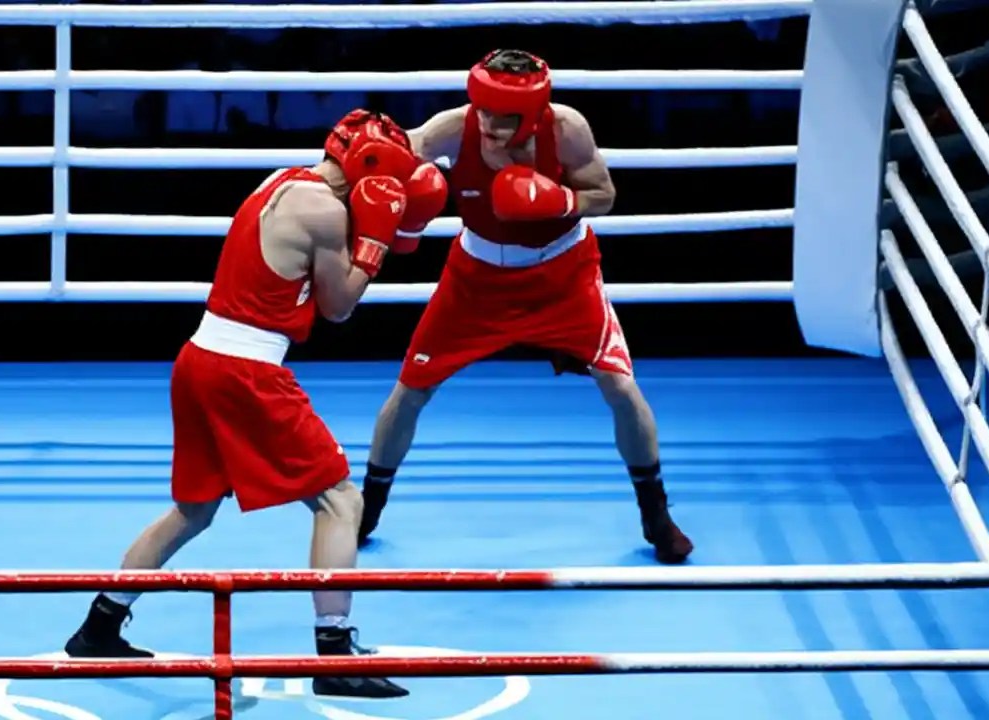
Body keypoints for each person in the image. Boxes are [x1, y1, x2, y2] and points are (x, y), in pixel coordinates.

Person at [62, 110, 448, 699]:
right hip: (245, 368)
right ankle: (335, 658)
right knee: (341, 501)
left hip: (199, 358)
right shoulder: (323, 211)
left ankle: (98, 626)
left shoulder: (283, 179)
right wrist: (375, 242)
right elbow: (340, 305)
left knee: (193, 512)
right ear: (372, 169)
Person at [357, 50, 694, 565]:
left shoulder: (566, 130)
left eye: (504, 116)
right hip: (476, 279)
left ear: (533, 111)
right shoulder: (454, 129)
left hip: (562, 274)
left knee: (621, 387)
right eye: (484, 111)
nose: (489, 126)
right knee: (411, 391)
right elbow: (392, 155)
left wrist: (558, 200)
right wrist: (359, 170)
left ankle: (656, 515)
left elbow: (603, 193)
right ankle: (366, 511)